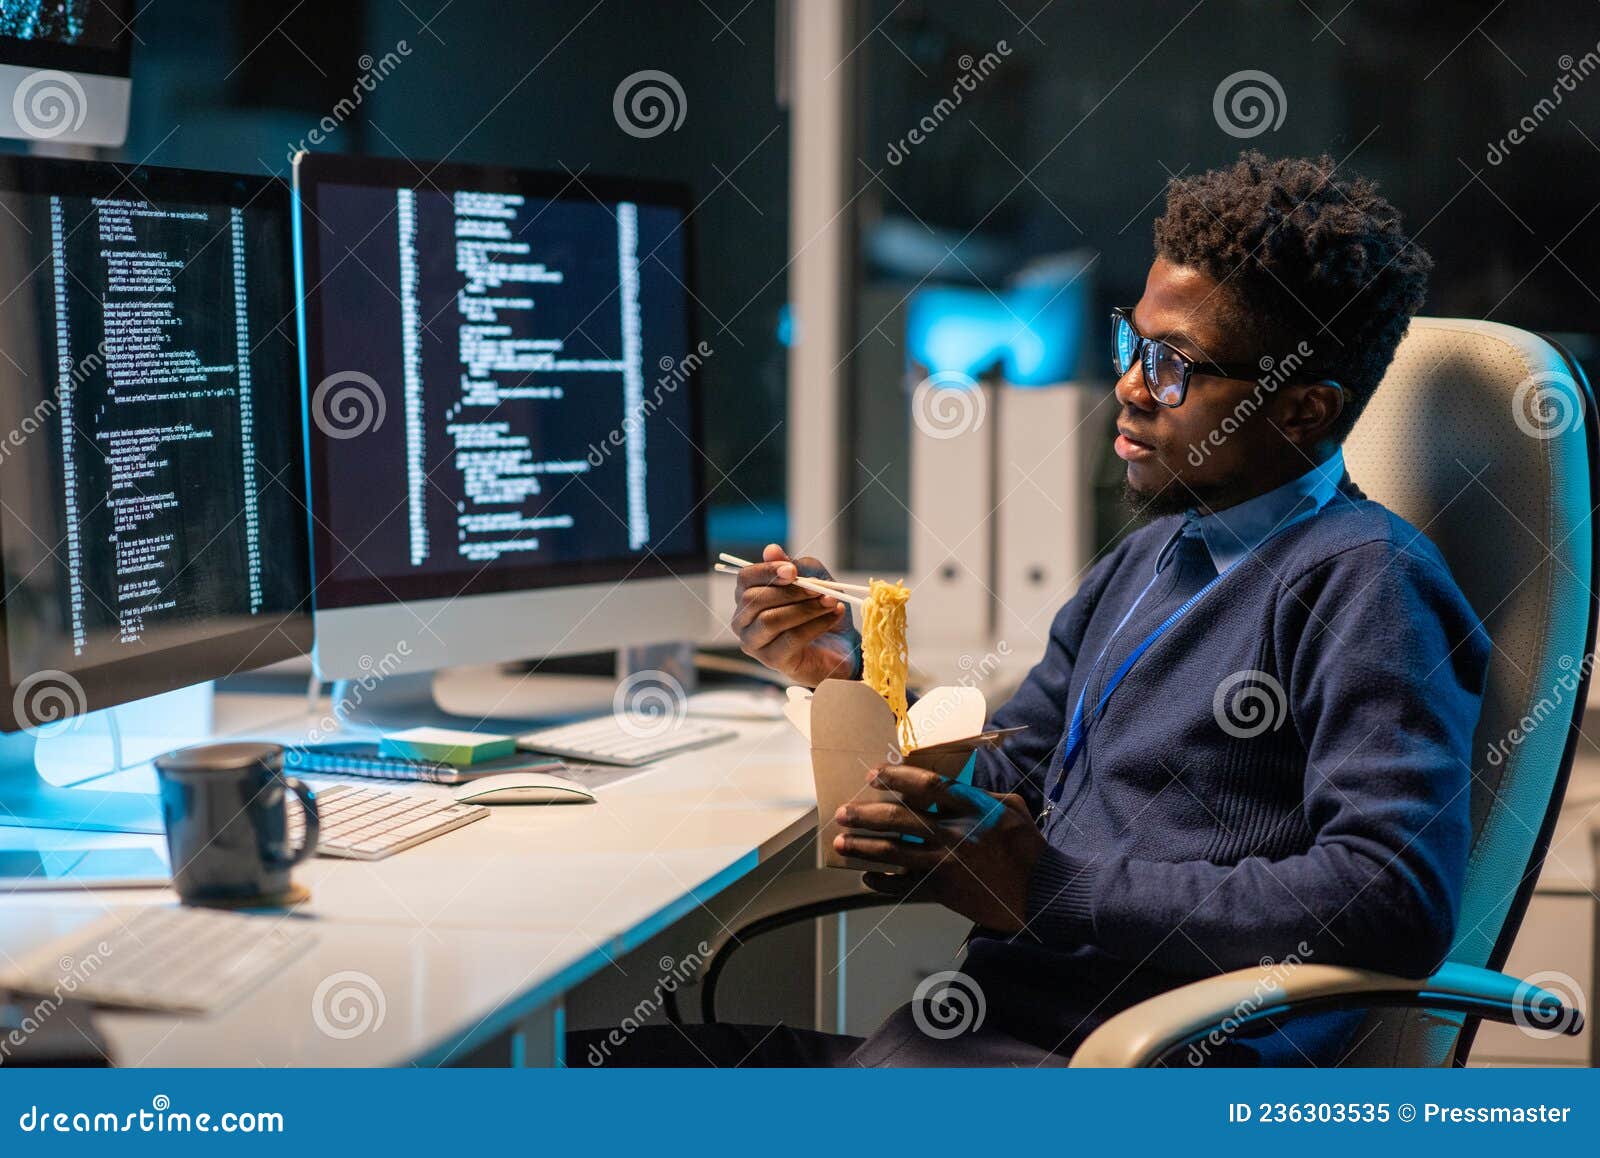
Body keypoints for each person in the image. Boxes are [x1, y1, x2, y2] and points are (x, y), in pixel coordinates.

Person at [572, 152, 1490, 1067]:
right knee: (574, 1065)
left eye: (1173, 366)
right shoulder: (1149, 556)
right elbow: (1010, 770)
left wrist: (1051, 886)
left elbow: (1393, 897)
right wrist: (847, 674)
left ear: (1303, 410)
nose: (1130, 386)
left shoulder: (1367, 583)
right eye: (1132, 344)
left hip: (1111, 1071)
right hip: (975, 1045)